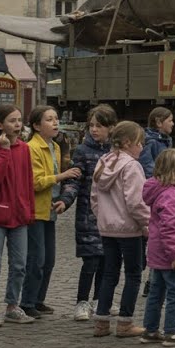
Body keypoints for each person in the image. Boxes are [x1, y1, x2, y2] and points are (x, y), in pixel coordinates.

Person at [0, 104, 36, 326]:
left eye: (19, 120)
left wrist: (29, 210)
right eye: (12, 121)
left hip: (19, 216)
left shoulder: (24, 149)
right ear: (0, 125)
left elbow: (27, 182)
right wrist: (3, 150)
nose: (18, 124)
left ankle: (13, 305)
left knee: (19, 264)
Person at [91, 121, 151, 338]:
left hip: (108, 229)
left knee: (109, 273)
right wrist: (147, 223)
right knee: (134, 274)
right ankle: (125, 322)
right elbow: (136, 202)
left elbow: (95, 198)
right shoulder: (132, 166)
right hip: (129, 229)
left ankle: (101, 321)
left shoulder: (102, 162)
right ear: (127, 143)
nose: (142, 148)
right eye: (139, 143)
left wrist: (103, 219)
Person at [21, 105, 82, 318]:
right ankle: (27, 302)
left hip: (50, 210)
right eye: (49, 119)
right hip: (35, 211)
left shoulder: (55, 147)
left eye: (56, 118)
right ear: (37, 126)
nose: (55, 123)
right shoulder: (31, 148)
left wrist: (61, 199)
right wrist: (61, 176)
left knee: (49, 259)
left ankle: (38, 299)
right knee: (36, 259)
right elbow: (35, 182)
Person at [59, 104, 116, 321]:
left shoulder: (115, 151)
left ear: (111, 128)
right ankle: (81, 302)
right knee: (90, 261)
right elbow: (74, 181)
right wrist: (65, 200)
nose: (94, 130)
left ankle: (100, 300)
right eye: (91, 125)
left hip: (110, 215)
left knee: (106, 260)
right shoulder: (83, 151)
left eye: (99, 126)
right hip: (87, 215)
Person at [139, 148, 175, 346]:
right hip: (169, 255)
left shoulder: (159, 192)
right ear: (174, 172)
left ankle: (150, 329)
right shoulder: (171, 195)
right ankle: (172, 332)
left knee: (156, 293)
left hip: (156, 253)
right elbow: (170, 229)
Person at [138, 107, 175, 296]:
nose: (173, 124)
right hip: (156, 193)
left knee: (160, 239)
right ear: (159, 122)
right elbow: (147, 165)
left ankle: (153, 282)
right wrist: (163, 180)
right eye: (170, 120)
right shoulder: (150, 141)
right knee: (154, 238)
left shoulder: (166, 140)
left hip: (165, 191)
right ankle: (150, 281)